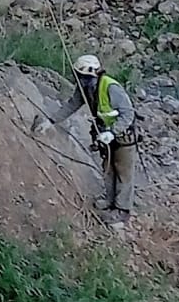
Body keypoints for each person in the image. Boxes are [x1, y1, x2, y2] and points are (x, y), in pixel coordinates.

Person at [52, 54, 137, 210]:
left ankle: (122, 209)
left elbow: (128, 114)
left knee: (123, 173)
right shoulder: (85, 89)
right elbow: (71, 105)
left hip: (122, 136)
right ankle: (109, 200)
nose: (78, 80)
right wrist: (51, 120)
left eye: (81, 76)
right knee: (108, 168)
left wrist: (113, 132)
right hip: (104, 135)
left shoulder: (111, 87)